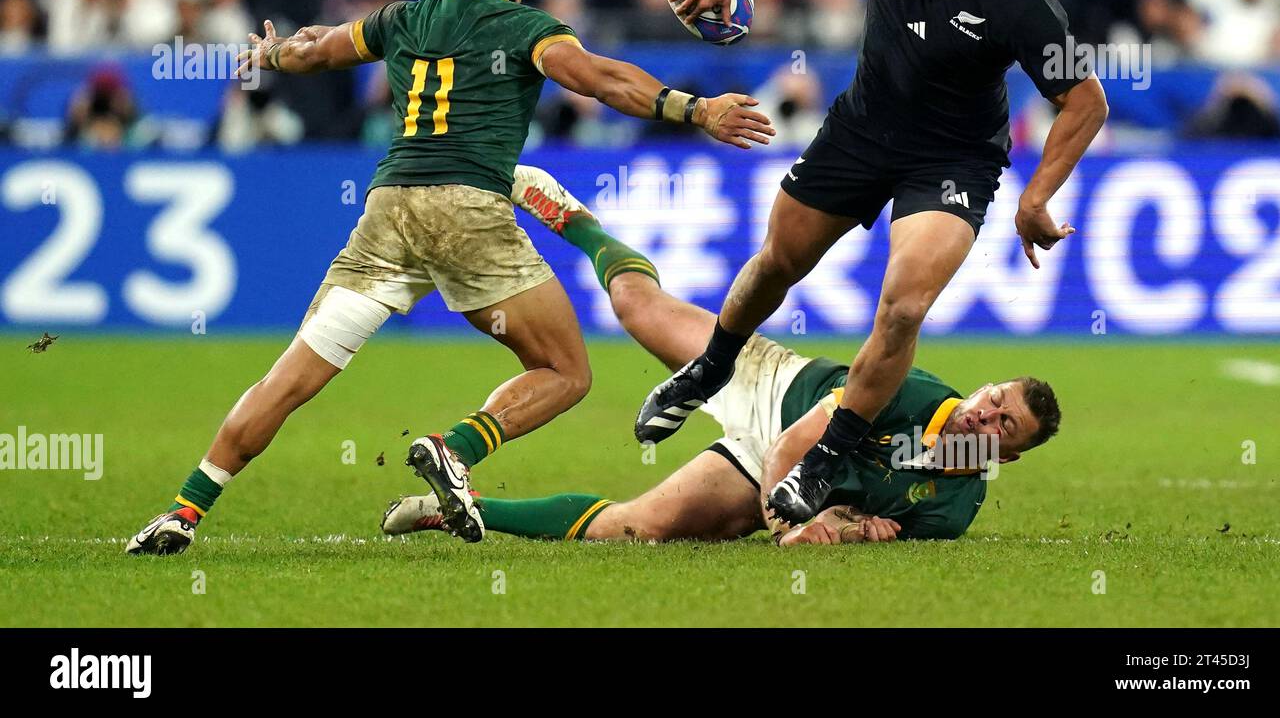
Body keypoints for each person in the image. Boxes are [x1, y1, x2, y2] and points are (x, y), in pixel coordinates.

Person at [126, 0, 773, 555]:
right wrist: (694, 108)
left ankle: (184, 509)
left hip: (388, 211)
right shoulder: (527, 28)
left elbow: (317, 48)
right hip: (467, 209)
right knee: (564, 370)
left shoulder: (401, 19)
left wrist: (272, 53)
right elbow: (598, 78)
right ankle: (452, 448)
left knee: (287, 380)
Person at [640, 0, 1107, 527]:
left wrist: (1036, 198)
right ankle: (712, 365)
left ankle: (827, 457)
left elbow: (1086, 99)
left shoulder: (1019, 1)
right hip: (862, 130)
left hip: (952, 160)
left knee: (904, 308)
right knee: (780, 262)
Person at [382, 166, 1062, 545]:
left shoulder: (955, 506)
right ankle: (578, 223)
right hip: (771, 388)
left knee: (637, 531)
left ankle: (453, 509)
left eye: (1004, 428)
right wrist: (796, 528)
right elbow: (793, 450)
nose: (985, 420)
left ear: (1011, 458)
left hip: (778, 470)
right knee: (636, 310)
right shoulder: (910, 393)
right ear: (978, 390)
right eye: (992, 402)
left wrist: (851, 533)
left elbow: (886, 530)